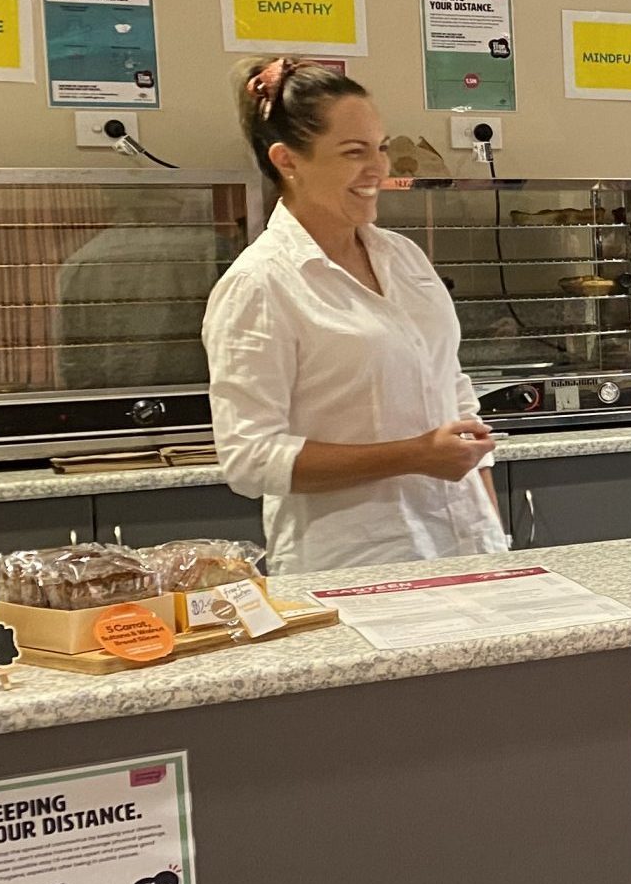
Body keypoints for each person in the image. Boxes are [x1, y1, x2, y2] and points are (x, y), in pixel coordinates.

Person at [203, 57, 508, 574]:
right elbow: (250, 457)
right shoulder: (260, 284)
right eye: (354, 152)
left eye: (382, 148)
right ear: (287, 160)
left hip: (466, 549)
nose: (379, 169)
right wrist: (413, 454)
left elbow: (453, 391)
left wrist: (492, 531)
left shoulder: (403, 257)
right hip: (354, 567)